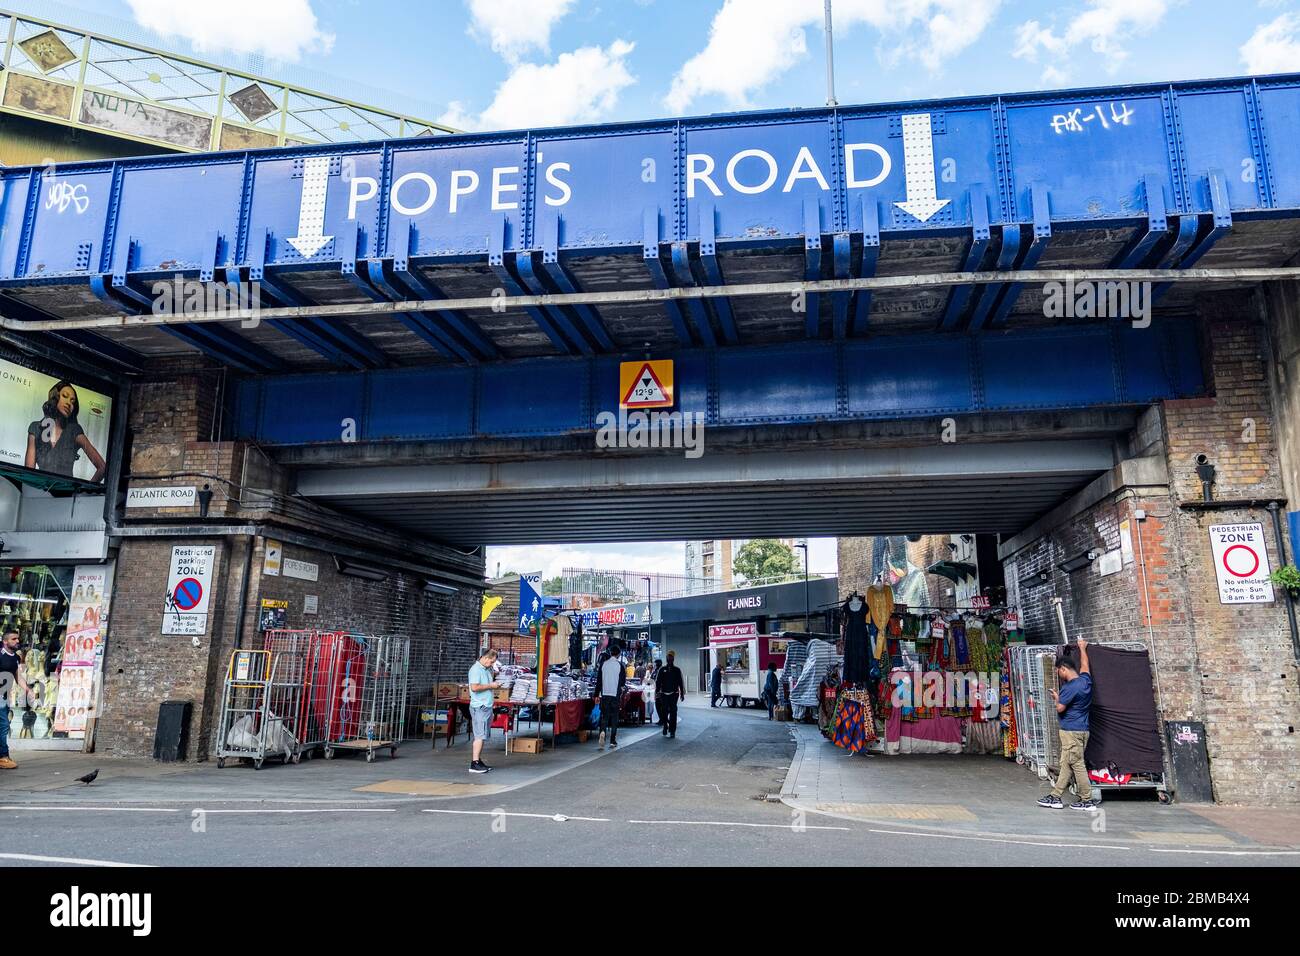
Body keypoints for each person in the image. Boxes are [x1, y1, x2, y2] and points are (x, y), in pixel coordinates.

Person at [1037, 640, 1098, 811]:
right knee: (1067, 764)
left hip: (1071, 731)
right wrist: (1082, 648)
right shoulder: (1085, 681)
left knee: (1077, 764)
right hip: (1082, 730)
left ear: (1063, 669)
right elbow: (1085, 665)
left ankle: (1087, 799)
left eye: (1058, 671)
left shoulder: (1069, 688)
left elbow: (1060, 708)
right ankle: (1055, 796)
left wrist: (1057, 698)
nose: (1058, 674)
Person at [25, 381, 106, 482]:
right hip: (39, 493)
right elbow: (28, 474)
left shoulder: (74, 431)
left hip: (66, 495)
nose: (69, 403)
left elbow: (102, 467)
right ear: (55, 398)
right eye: (65, 396)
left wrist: (83, 492)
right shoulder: (35, 428)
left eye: (72, 401)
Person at [467, 649, 501, 774]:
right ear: (485, 658)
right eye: (491, 662)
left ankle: (478, 760)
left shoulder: (486, 669)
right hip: (480, 707)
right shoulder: (476, 670)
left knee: (482, 735)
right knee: (480, 736)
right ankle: (474, 763)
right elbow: (474, 688)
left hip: (485, 706)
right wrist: (491, 686)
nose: (492, 664)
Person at [1, 631, 30, 769]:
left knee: (3, 725)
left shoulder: (15, 658)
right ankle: (3, 757)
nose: (17, 641)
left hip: (4, 696)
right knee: (4, 725)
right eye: (14, 639)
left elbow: (17, 676)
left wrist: (28, 689)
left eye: (18, 638)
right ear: (5, 641)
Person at [594, 641, 626, 751]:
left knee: (604, 716)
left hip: (605, 694)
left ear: (610, 652)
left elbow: (599, 682)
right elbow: (622, 683)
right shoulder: (620, 666)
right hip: (615, 695)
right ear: (618, 654)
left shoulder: (604, 665)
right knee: (614, 717)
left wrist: (596, 694)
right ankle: (612, 740)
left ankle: (602, 732)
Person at [656, 651, 686, 738]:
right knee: (664, 711)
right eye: (668, 657)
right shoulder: (662, 669)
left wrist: (682, 694)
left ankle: (672, 730)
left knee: (673, 712)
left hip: (674, 694)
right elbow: (658, 682)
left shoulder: (677, 670)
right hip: (664, 694)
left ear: (673, 659)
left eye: (671, 657)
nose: (669, 659)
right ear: (666, 659)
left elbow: (680, 682)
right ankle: (665, 726)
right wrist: (657, 692)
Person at [643, 661, 658, 725]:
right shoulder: (648, 672)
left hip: (651, 690)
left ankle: (650, 716)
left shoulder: (654, 672)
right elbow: (646, 681)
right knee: (648, 703)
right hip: (648, 690)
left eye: (651, 667)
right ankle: (648, 717)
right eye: (649, 667)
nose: (650, 668)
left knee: (651, 704)